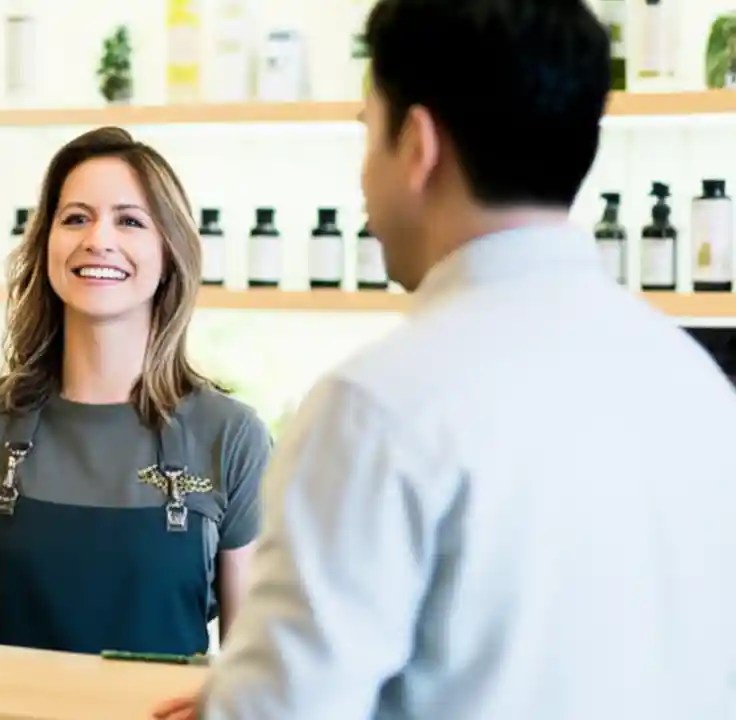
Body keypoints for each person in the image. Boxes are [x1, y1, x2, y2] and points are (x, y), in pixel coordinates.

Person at [155, 0, 736, 718]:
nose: (363, 181)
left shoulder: (378, 406)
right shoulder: (698, 387)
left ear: (419, 147)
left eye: (368, 133)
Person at [0, 127, 271, 658]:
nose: (98, 239)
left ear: (169, 251)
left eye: (129, 220)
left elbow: (251, 669)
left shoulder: (232, 437)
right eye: (75, 218)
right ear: (45, 245)